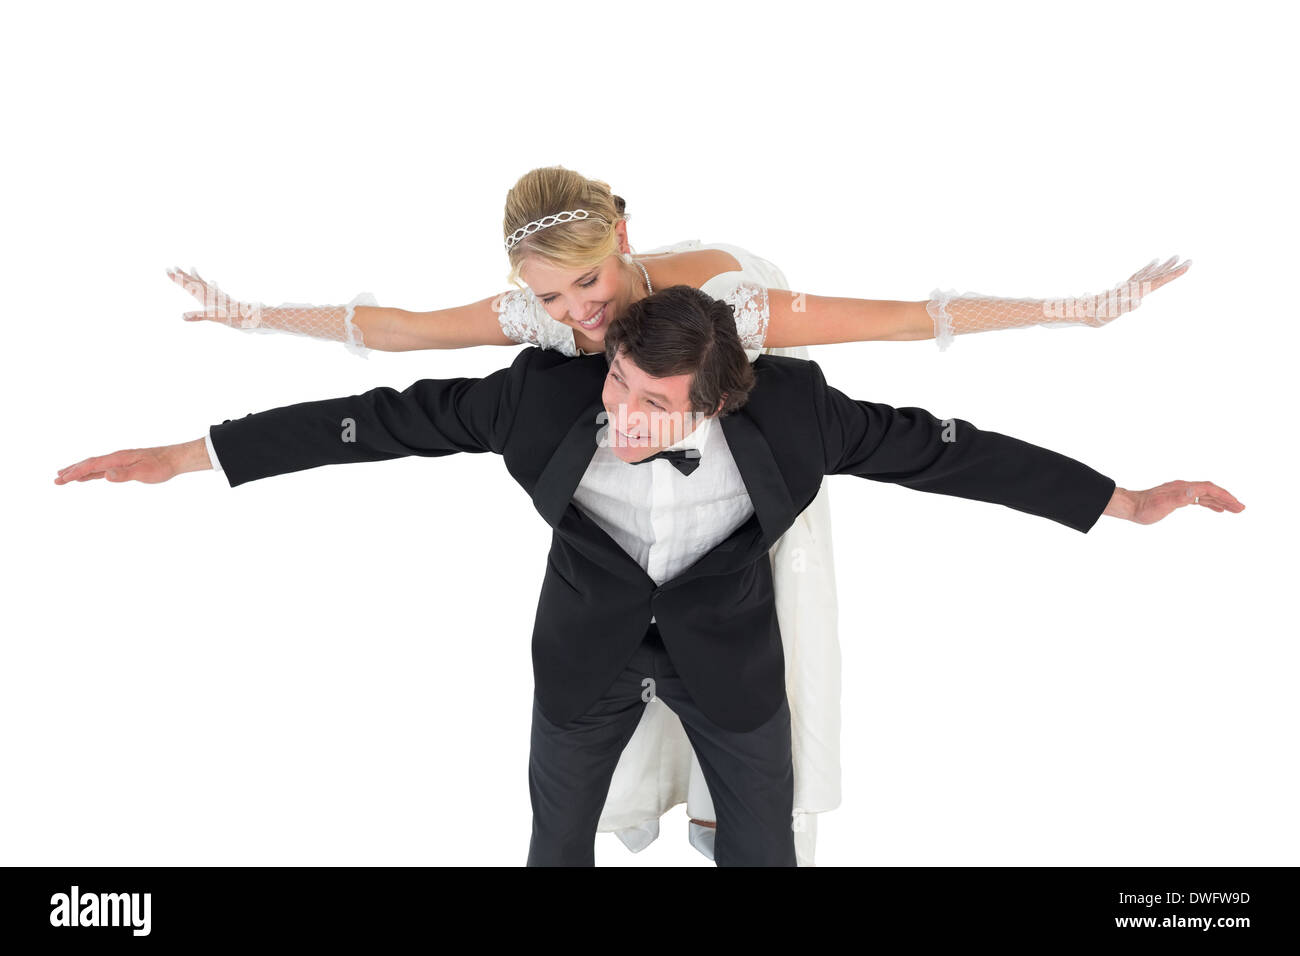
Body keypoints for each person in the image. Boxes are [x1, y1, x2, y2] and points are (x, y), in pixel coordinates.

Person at [162, 165, 1192, 864]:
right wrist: (238, 337)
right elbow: (384, 372)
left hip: (732, 643)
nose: (578, 313)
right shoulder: (536, 369)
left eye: (587, 283)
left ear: (624, 240)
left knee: (760, 827)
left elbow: (921, 360)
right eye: (551, 299)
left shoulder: (752, 339)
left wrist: (1081, 324)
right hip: (585, 651)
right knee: (555, 834)